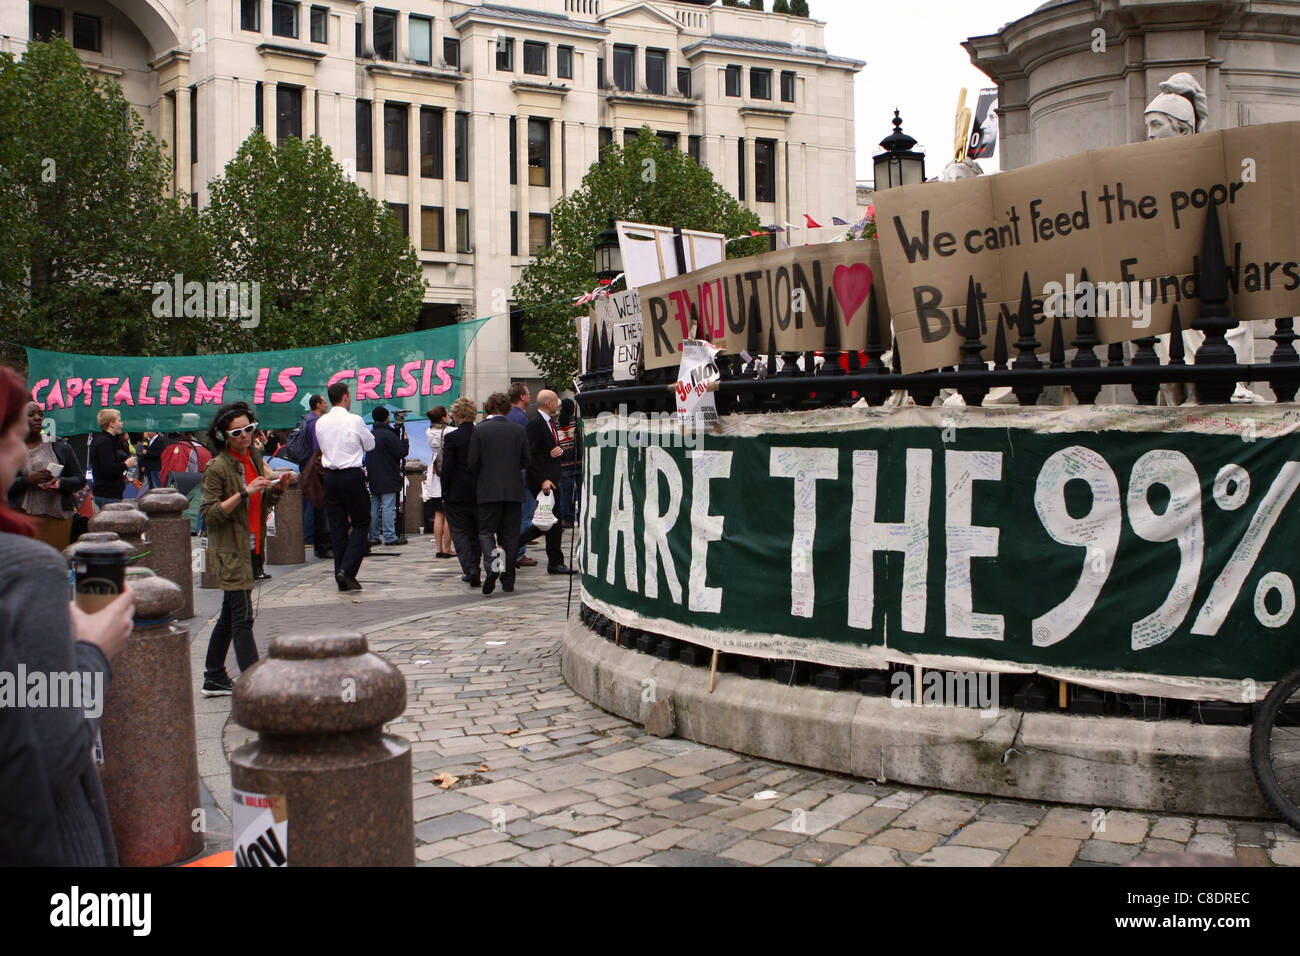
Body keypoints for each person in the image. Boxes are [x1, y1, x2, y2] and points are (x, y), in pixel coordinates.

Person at [0, 365, 134, 865]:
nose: (20, 451)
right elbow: (53, 749)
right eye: (15, 435)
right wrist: (92, 649)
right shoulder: (23, 570)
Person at [199, 401, 291, 696]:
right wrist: (243, 491)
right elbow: (210, 514)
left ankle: (214, 676)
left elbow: (260, 507)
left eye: (249, 429)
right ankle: (254, 682)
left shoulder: (253, 457)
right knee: (242, 616)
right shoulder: (217, 467)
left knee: (229, 614)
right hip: (230, 550)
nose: (245, 436)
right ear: (223, 436)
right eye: (237, 432)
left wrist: (276, 491)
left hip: (252, 545)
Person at [469, 391, 530, 595]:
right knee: (510, 535)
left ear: (489, 407)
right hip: (513, 489)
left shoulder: (479, 430)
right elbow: (526, 460)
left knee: (486, 531)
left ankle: (494, 566)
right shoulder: (518, 430)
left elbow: (472, 462)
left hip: (488, 489)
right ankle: (508, 579)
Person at [316, 382, 375, 591]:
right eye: (349, 395)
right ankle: (348, 570)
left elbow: (322, 447)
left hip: (330, 476)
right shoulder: (355, 420)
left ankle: (340, 573)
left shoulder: (321, 422)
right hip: (351, 473)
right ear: (345, 397)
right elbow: (370, 445)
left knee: (338, 526)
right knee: (361, 522)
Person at [8, 402, 86, 551]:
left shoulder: (59, 445)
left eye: (40, 414)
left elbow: (80, 479)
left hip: (58, 519)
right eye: (30, 415)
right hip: (23, 519)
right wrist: (26, 479)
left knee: (58, 563)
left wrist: (60, 483)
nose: (37, 418)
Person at [523, 389, 574, 575]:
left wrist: (555, 451)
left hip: (553, 478)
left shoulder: (549, 422)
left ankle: (555, 561)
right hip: (544, 481)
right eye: (556, 401)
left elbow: (544, 450)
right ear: (549, 403)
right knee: (549, 521)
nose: (559, 404)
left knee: (553, 521)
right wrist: (542, 479)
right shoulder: (536, 424)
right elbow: (529, 455)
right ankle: (514, 544)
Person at [440, 397, 480, 587]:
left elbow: (446, 468)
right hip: (479, 491)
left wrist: (444, 491)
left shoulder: (452, 437)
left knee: (460, 533)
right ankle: (477, 566)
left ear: (456, 415)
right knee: (477, 532)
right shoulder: (480, 434)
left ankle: (470, 567)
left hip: (457, 492)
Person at [366, 406, 408, 547]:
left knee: (374, 506)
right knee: (388, 507)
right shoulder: (388, 435)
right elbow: (400, 453)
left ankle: (373, 536)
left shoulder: (371, 434)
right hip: (388, 476)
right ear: (386, 418)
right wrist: (404, 440)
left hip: (373, 475)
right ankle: (390, 536)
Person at [506, 382, 538, 568]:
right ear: (521, 396)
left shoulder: (509, 416)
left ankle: (515, 550)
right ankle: (518, 552)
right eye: (527, 392)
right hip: (522, 472)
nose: (529, 395)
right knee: (526, 511)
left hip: (510, 471)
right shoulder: (522, 419)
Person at [423, 406, 455, 558]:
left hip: (434, 469)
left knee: (437, 513)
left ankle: (438, 548)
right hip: (446, 470)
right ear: (443, 417)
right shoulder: (449, 431)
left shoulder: (428, 431)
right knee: (448, 513)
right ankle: (448, 548)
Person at [88, 409, 136, 508]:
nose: (122, 424)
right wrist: (126, 464)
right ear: (111, 424)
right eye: (119, 420)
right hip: (108, 494)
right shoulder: (105, 442)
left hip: (108, 493)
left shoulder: (107, 440)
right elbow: (108, 468)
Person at [556, 397, 582, 528]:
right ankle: (581, 516)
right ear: (572, 409)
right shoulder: (578, 422)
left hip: (564, 463)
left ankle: (568, 518)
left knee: (566, 493)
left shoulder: (557, 424)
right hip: (579, 461)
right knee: (581, 491)